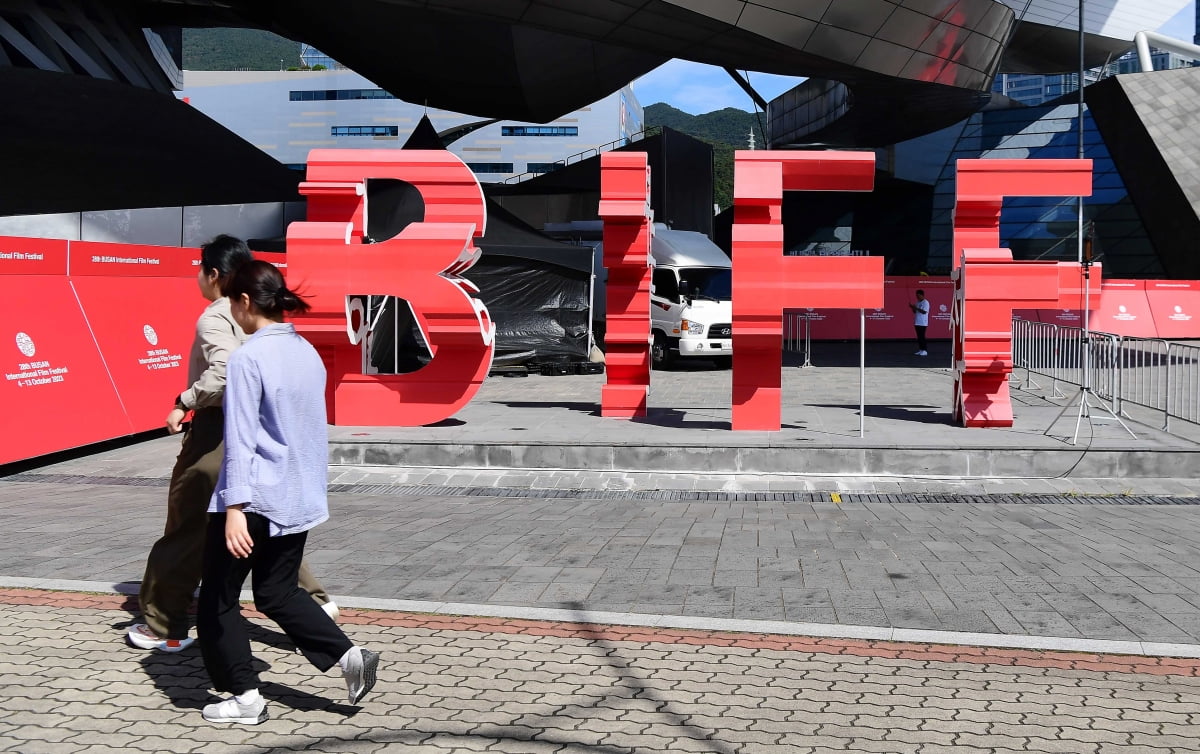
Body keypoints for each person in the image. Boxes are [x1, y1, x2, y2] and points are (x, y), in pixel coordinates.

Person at [128, 235, 336, 653]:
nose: (198, 278)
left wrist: (183, 402)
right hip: (266, 433)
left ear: (216, 275)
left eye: (200, 269)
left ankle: (164, 624)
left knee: (187, 526)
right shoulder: (282, 331)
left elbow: (223, 373)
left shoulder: (216, 316)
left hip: (217, 432)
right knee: (268, 523)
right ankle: (313, 605)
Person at [197, 260, 379, 725]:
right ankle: (348, 656)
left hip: (253, 496)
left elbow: (239, 438)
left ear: (242, 302)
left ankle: (244, 698)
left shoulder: (248, 357)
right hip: (295, 495)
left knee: (217, 601)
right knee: (277, 593)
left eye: (230, 302)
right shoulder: (306, 350)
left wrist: (234, 507)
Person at [909, 289, 930, 356]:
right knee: (919, 337)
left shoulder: (925, 302)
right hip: (917, 322)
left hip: (923, 323)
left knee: (922, 337)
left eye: (918, 295)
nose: (917, 297)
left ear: (922, 295)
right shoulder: (917, 302)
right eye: (916, 296)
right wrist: (912, 307)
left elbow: (924, 312)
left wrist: (916, 308)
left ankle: (925, 350)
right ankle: (921, 350)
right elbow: (915, 312)